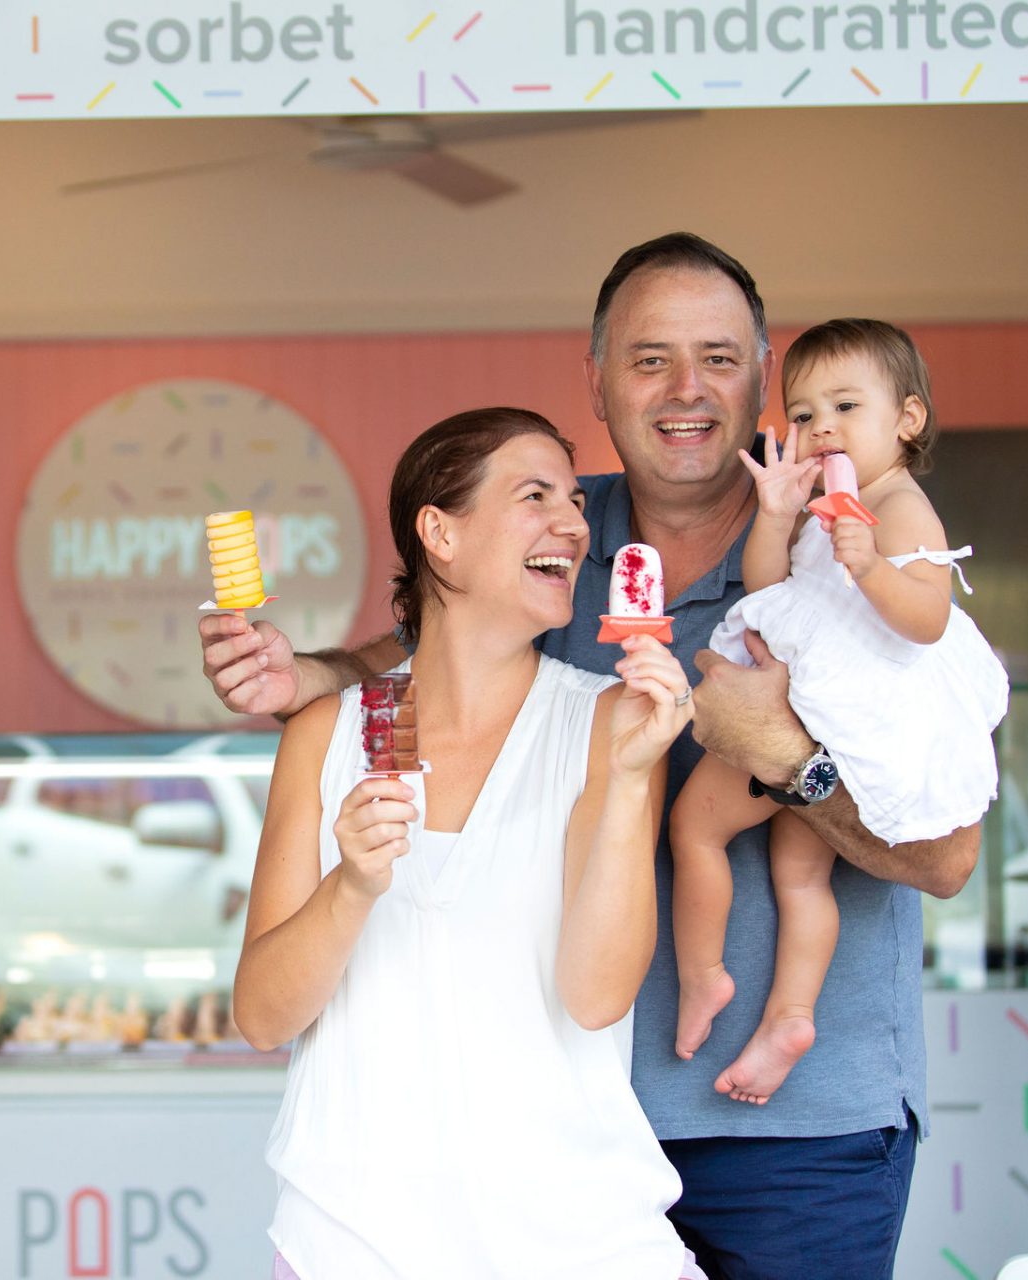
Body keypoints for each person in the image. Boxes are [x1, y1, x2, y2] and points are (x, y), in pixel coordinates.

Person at [201, 233, 982, 1280]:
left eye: (718, 356)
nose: (686, 388)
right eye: (650, 358)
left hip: (801, 1130)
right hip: (566, 1138)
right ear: (598, 381)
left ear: (766, 378)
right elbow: (425, 655)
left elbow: (945, 855)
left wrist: (787, 756)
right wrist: (309, 674)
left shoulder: (839, 551)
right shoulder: (561, 548)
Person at [235, 406, 704, 1280]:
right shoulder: (330, 736)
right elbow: (262, 1016)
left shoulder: (610, 724)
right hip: (352, 1248)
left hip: (583, 1247)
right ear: (439, 533)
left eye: (573, 500)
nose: (573, 522)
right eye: (536, 496)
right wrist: (352, 887)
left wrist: (638, 775)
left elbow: (597, 996)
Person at [669, 319, 1009, 1106]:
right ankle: (787, 1020)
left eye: (846, 406)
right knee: (799, 873)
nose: (821, 428)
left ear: (908, 419)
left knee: (694, 827)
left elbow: (925, 619)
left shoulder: (900, 506)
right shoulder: (831, 501)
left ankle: (704, 977)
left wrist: (868, 567)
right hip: (820, 705)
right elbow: (769, 592)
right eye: (804, 412)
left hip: (837, 719)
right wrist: (777, 515)